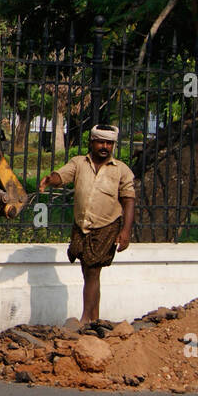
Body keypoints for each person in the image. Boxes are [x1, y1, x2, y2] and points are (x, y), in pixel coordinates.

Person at [39, 124, 136, 328]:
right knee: (89, 271)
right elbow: (62, 176)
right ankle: (94, 318)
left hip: (106, 226)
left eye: (109, 143)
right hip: (82, 225)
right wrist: (50, 179)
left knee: (92, 270)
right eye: (101, 142)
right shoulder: (79, 164)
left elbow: (128, 200)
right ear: (92, 142)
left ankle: (85, 318)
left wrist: (125, 231)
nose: (105, 146)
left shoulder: (121, 170)